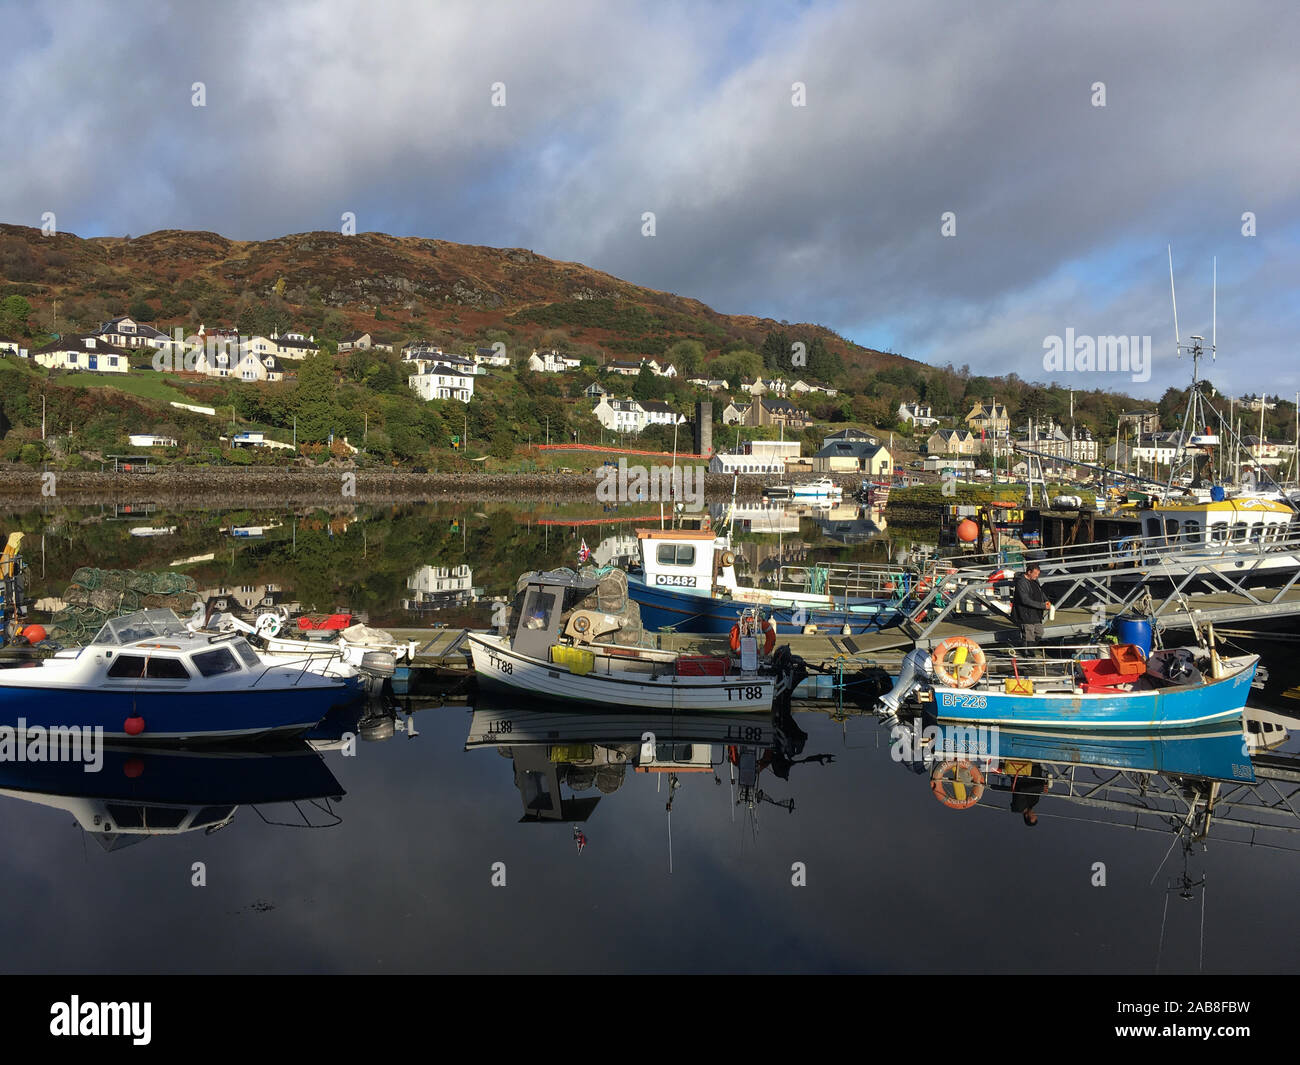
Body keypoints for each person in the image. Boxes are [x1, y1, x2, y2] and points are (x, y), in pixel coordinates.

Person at [1010, 560, 1051, 652]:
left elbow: (1040, 592)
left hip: (1036, 613)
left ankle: (1029, 649)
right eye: (1035, 574)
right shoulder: (1021, 582)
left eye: (1038, 574)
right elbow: (1025, 600)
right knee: (1029, 635)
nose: (1037, 576)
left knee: (1040, 632)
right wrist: (1042, 605)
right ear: (1029, 572)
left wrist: (1046, 600)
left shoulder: (1035, 580)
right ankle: (1028, 653)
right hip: (1025, 613)